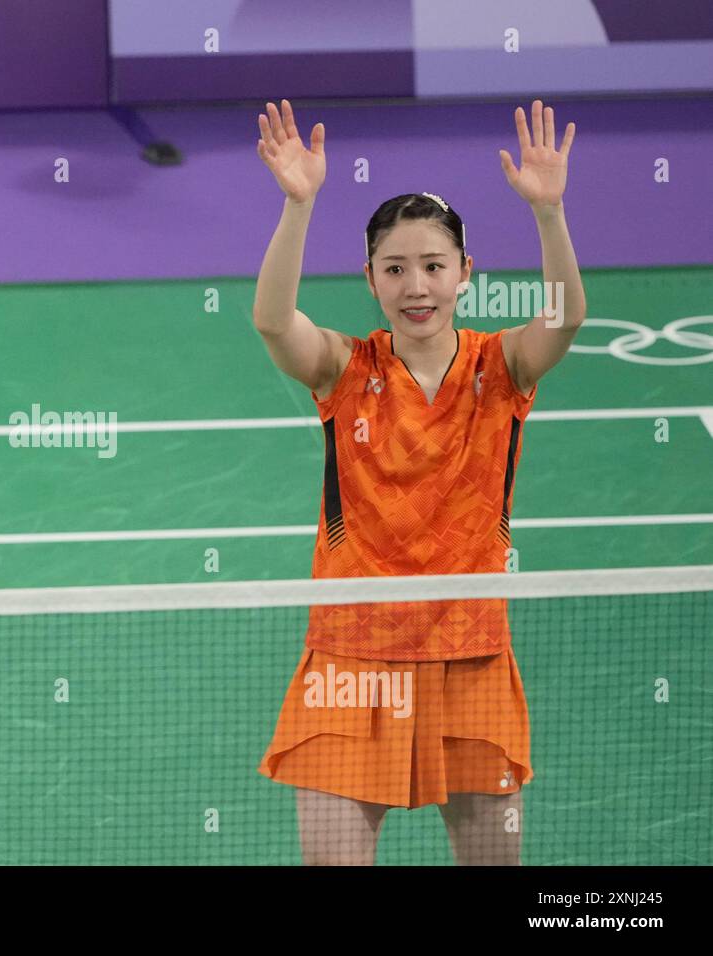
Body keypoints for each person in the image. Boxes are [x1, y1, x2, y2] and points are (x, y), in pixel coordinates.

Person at [252, 99, 584, 864]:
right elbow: (274, 322)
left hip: (470, 656)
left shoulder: (499, 371)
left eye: (434, 266)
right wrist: (298, 204)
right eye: (395, 269)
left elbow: (564, 320)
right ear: (370, 280)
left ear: (465, 274)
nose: (416, 286)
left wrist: (551, 214)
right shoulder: (344, 368)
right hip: (352, 658)